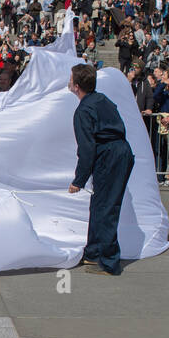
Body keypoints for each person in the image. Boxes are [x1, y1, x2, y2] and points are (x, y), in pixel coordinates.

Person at [67, 64, 133, 276]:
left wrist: (79, 180)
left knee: (106, 208)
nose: (68, 82)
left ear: (76, 86)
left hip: (109, 156)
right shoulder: (102, 100)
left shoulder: (83, 110)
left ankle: (109, 262)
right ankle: (94, 253)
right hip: (119, 152)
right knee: (99, 206)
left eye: (70, 79)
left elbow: (87, 148)